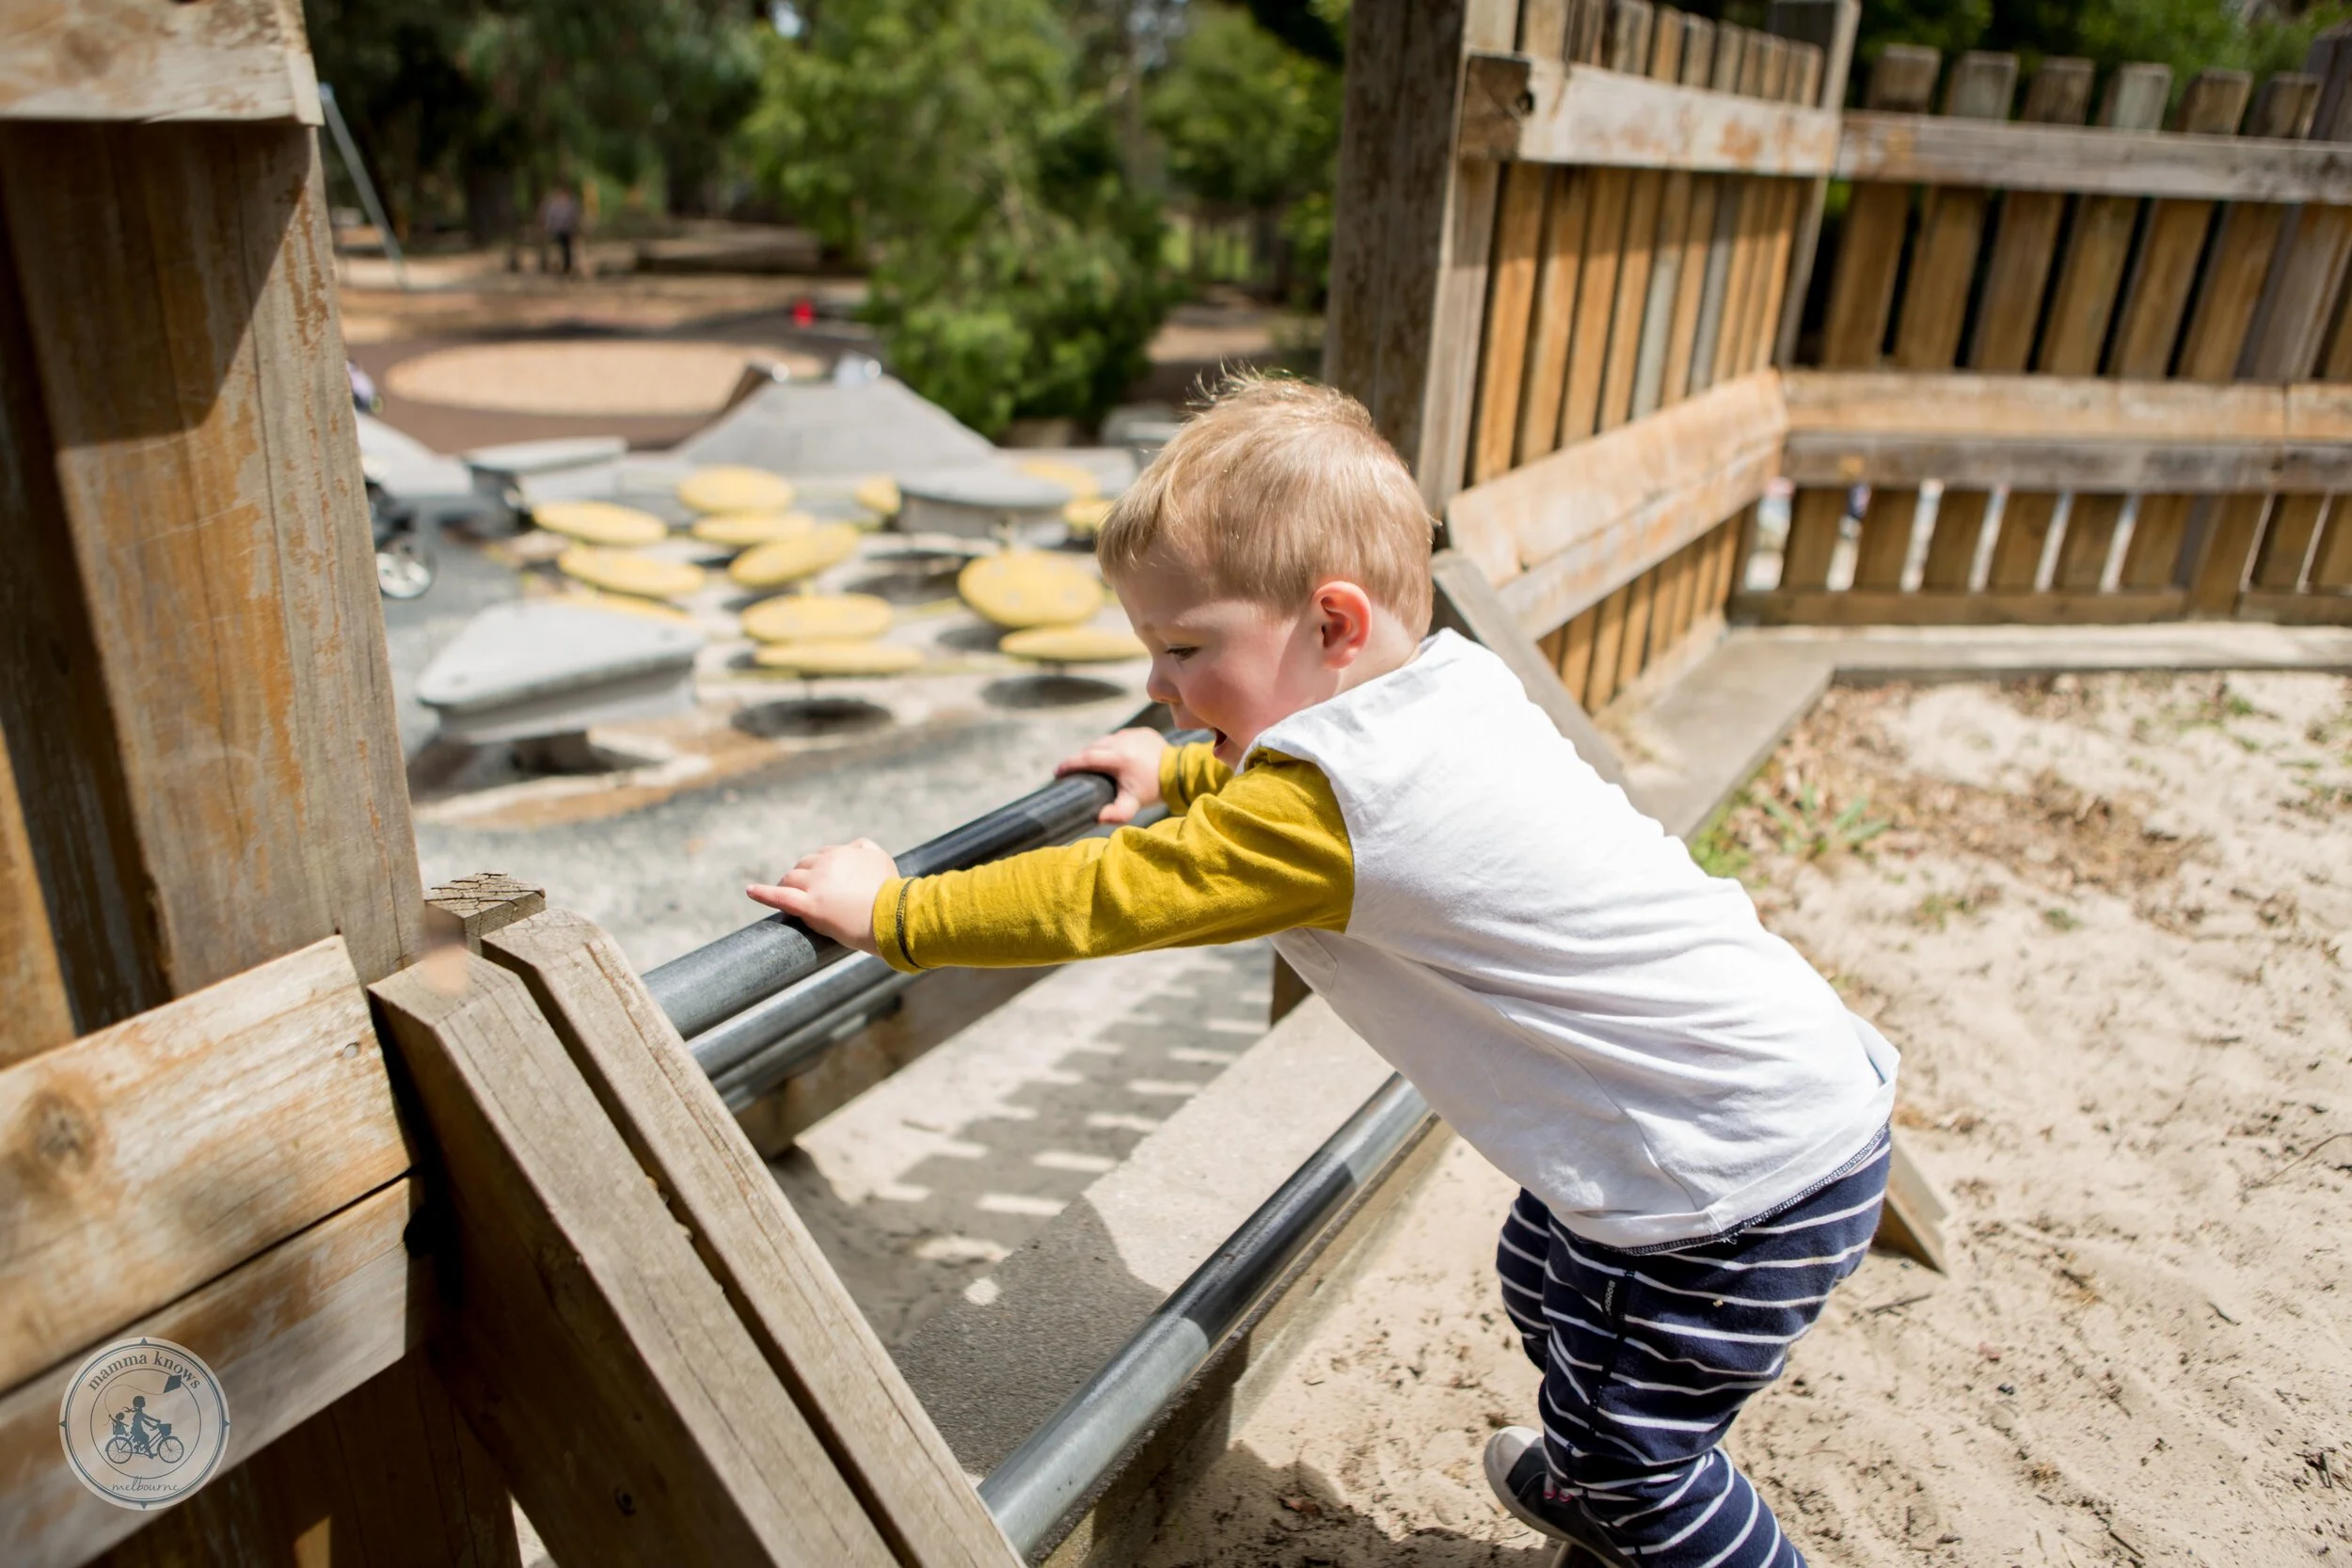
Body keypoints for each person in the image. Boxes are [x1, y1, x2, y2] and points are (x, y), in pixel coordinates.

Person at [753, 374, 1899, 1567]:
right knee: (1542, 1272)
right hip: (1785, 1101)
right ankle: (1598, 1483)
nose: (1157, 684)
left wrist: (895, 911)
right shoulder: (1447, 686)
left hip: (1718, 1180)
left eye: (1183, 647)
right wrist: (1180, 770)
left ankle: (1623, 1502)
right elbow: (1306, 786)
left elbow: (1112, 895)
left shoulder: (1332, 810)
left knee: (1639, 1455)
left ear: (1335, 626)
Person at [539, 183, 581, 276]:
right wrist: (548, 227)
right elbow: (550, 217)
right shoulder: (555, 205)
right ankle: (557, 267)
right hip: (558, 230)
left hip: (566, 230)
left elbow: (574, 217)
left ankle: (566, 267)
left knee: (567, 249)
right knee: (560, 248)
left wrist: (574, 228)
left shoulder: (570, 204)